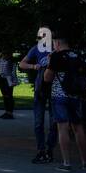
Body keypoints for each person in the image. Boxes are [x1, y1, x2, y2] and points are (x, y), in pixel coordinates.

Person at [43, 31, 86, 171]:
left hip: (59, 96)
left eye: (53, 44)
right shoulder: (77, 55)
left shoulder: (56, 56)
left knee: (62, 128)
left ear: (57, 43)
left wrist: (49, 61)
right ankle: (85, 162)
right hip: (75, 96)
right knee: (78, 128)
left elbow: (47, 78)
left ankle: (67, 163)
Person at [20, 28, 58, 163]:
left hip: (55, 90)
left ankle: (49, 149)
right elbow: (22, 64)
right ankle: (41, 150)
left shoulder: (58, 49)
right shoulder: (36, 49)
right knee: (38, 122)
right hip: (40, 89)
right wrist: (34, 67)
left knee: (55, 123)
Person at [0, 48, 19, 120]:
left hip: (9, 80)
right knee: (4, 96)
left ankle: (10, 113)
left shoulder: (12, 62)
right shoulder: (1, 60)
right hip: (2, 79)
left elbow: (13, 72)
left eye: (5, 54)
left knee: (9, 96)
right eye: (3, 54)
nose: (3, 56)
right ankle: (6, 112)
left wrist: (14, 82)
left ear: (9, 55)